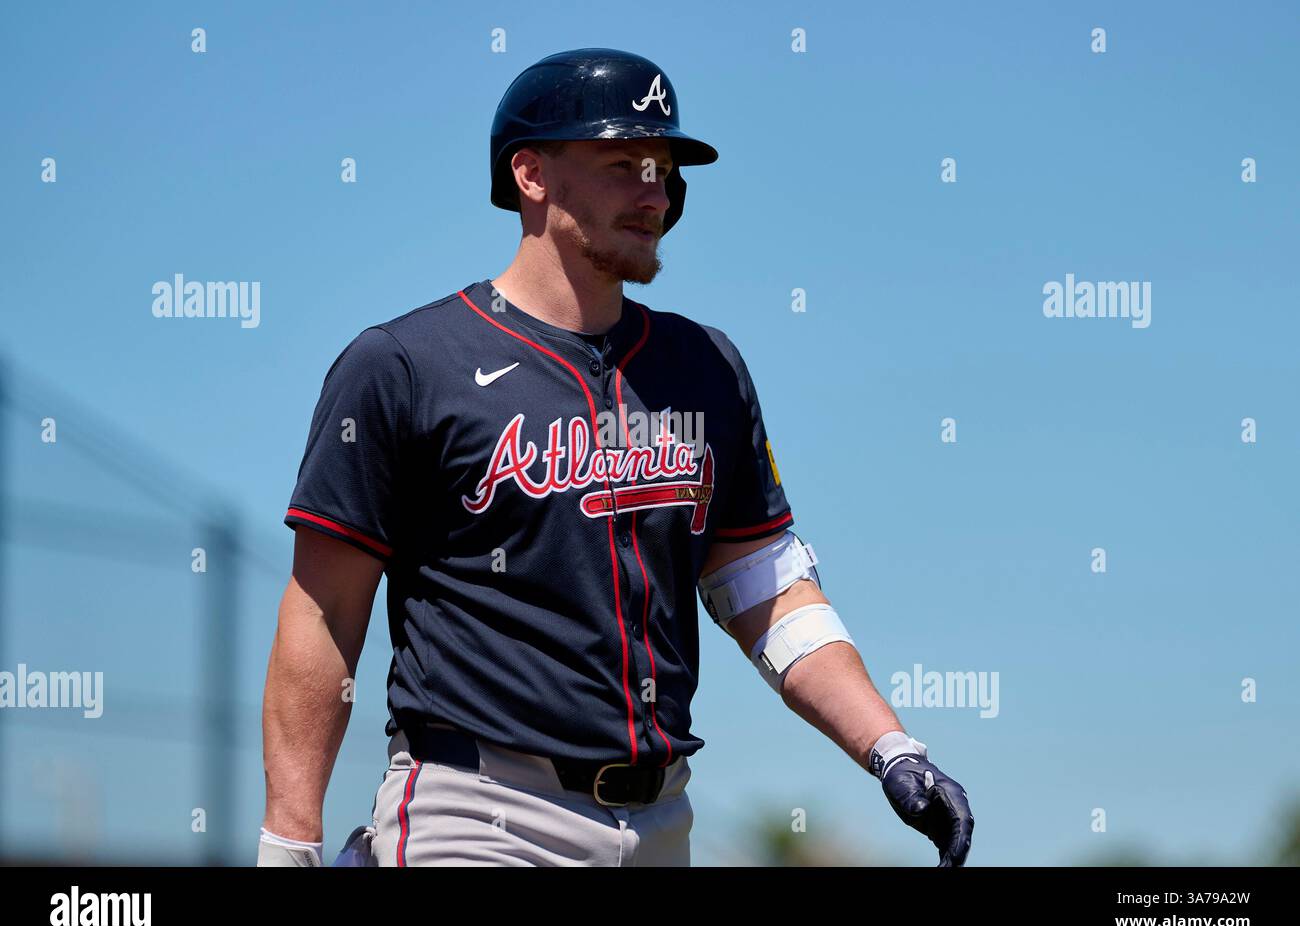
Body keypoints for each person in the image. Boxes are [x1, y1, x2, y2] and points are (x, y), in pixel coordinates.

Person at [257, 48, 973, 868]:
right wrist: (289, 842)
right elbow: (324, 613)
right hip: (478, 812)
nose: (654, 191)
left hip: (662, 823)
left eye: (664, 168)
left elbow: (765, 587)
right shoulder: (406, 364)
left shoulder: (705, 366)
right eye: (622, 163)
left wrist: (892, 749)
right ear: (530, 174)